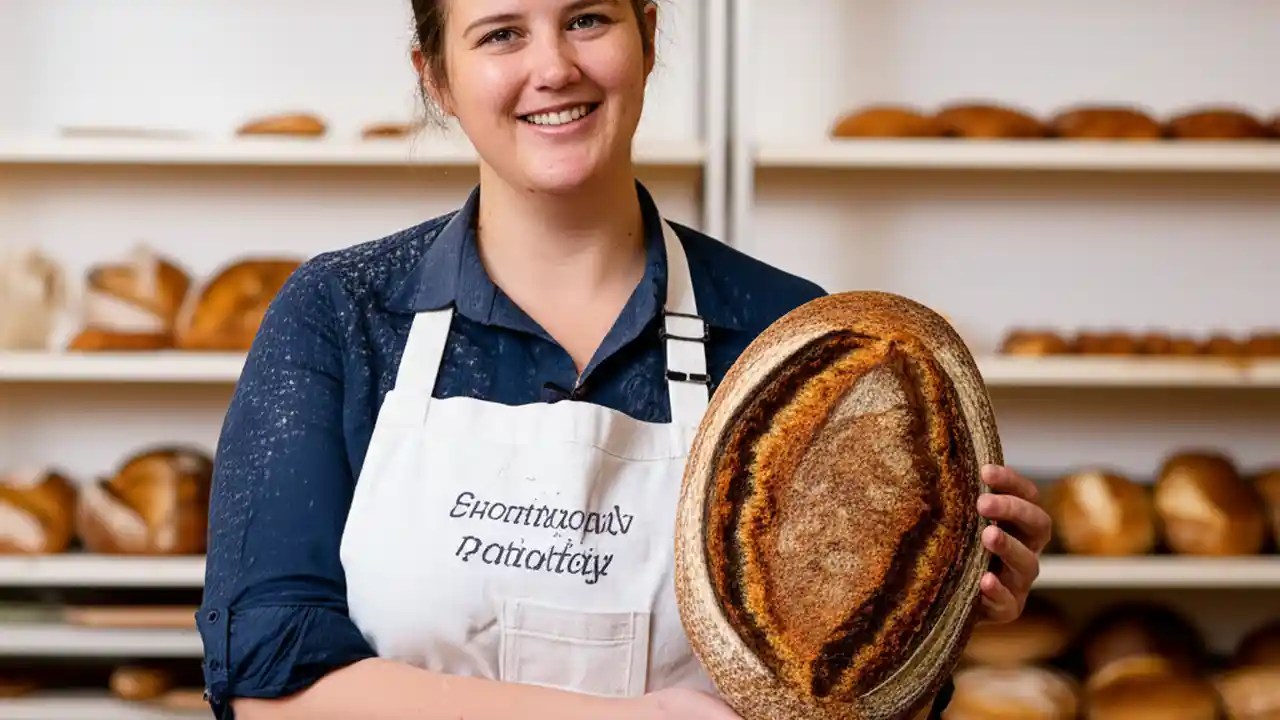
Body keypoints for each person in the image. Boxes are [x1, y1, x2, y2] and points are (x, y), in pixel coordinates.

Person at [196, 1, 1053, 718]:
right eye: (501, 33)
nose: (554, 66)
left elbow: (838, 695)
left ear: (646, 38)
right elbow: (272, 678)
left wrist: (936, 626)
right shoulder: (344, 314)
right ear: (437, 79)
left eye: (588, 19)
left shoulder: (790, 336)